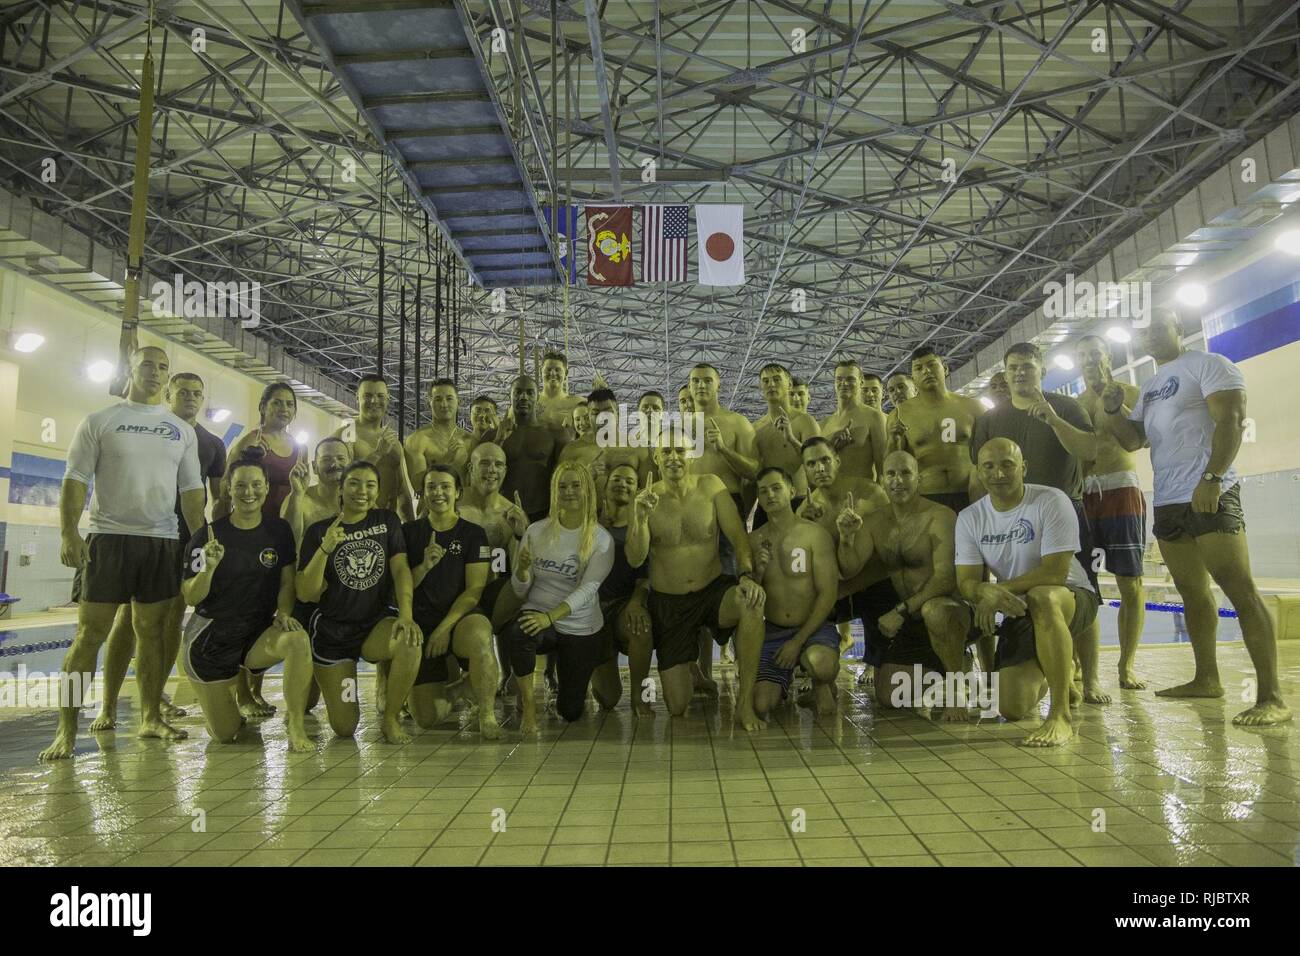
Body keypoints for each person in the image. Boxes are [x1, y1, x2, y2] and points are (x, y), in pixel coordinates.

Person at [1103, 311, 1290, 726]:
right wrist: (1116, 412)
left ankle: (1272, 696)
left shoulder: (1210, 364)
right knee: (1192, 591)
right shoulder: (1150, 387)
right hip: (1170, 499)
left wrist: (1213, 477)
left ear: (1178, 331)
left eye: (1157, 327)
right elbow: (1134, 440)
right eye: (1144, 332)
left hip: (1211, 491)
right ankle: (1207, 678)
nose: (1149, 336)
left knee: (1240, 590)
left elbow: (1232, 420)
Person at [41, 346, 206, 761]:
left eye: (162, 368)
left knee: (151, 633)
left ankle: (151, 715)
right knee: (88, 635)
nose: (155, 373)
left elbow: (191, 491)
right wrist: (68, 533)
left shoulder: (180, 431)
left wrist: (201, 538)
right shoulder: (101, 420)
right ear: (131, 369)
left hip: (162, 541)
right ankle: (66, 728)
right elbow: (75, 479)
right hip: (108, 537)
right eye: (147, 365)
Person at [970, 341, 1107, 704]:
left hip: (1066, 513)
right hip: (1012, 520)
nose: (1020, 373)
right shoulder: (990, 420)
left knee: (1083, 592)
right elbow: (979, 473)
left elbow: (1090, 451)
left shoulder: (1067, 407)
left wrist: (1052, 418)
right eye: (1013, 367)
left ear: (1042, 370)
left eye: (1028, 367)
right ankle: (1061, 675)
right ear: (1005, 371)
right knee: (1024, 593)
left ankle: (1090, 678)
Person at [90, 370, 226, 731]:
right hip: (140, 538)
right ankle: (108, 704)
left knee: (169, 622)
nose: (190, 399)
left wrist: (210, 540)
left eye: (197, 393)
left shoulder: (212, 443)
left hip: (184, 542)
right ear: (169, 395)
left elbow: (219, 498)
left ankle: (156, 697)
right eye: (183, 392)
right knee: (126, 622)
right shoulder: (146, 428)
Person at [956, 439, 1099, 747]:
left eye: (1008, 464)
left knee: (1043, 596)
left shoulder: (1050, 500)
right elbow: (965, 582)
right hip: (1019, 607)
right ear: (979, 473)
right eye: (989, 467)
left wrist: (997, 589)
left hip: (1071, 597)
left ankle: (1060, 714)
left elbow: (1055, 574)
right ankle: (1059, 667)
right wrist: (982, 590)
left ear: (1023, 468)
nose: (999, 473)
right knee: (1012, 707)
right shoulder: (970, 518)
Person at [625, 429, 767, 730]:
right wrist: (639, 518)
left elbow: (738, 536)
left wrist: (745, 575)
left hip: (711, 590)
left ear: (692, 455)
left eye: (680, 451)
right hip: (669, 601)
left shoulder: (711, 486)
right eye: (666, 452)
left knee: (752, 603)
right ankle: (688, 667)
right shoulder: (646, 498)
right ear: (656, 457)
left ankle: (744, 704)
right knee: (677, 706)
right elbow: (635, 558)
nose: (674, 457)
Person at [180, 457, 313, 752]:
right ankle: (217, 705)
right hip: (210, 640)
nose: (248, 492)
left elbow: (287, 582)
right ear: (228, 488)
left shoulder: (278, 532)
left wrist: (284, 612)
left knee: (297, 640)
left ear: (266, 487)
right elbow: (191, 596)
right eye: (240, 485)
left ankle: (295, 724)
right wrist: (208, 570)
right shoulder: (208, 536)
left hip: (254, 634)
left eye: (256, 484)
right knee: (226, 734)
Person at [836, 451, 975, 720]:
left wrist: (900, 610)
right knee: (890, 697)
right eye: (891, 474)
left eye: (905, 473)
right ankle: (946, 664)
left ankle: (956, 687)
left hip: (948, 610)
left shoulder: (940, 516)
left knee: (935, 611)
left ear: (919, 478)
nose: (898, 480)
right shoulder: (876, 521)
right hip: (912, 622)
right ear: (882, 481)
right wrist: (845, 538)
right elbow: (849, 567)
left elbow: (946, 578)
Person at [296, 461, 422, 743]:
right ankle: (328, 679)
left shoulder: (386, 522)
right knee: (345, 727)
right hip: (333, 635)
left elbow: (400, 570)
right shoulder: (319, 531)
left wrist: (406, 614)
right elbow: (306, 592)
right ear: (341, 489)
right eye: (354, 483)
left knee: (409, 641)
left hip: (373, 626)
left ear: (377, 491)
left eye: (370, 485)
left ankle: (390, 719)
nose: (361, 491)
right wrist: (326, 549)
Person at [504, 463, 614, 733]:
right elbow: (520, 590)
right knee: (519, 632)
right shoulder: (536, 531)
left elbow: (588, 591)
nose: (569, 491)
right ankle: (529, 708)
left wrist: (549, 617)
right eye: (562, 486)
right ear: (554, 491)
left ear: (587, 490)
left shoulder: (602, 539)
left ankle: (579, 674)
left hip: (580, 624)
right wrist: (521, 569)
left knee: (571, 711)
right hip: (539, 613)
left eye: (576, 485)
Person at [403, 465, 501, 739]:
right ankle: (463, 687)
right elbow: (400, 587)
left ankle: (487, 715)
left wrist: (444, 628)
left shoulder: (472, 534)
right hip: (422, 622)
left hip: (460, 619)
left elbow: (474, 590)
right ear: (422, 493)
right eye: (431, 486)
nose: (438, 492)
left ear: (457, 492)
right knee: (426, 718)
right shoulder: (408, 533)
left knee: (481, 637)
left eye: (445, 486)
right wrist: (423, 567)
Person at [1074, 334, 1148, 690]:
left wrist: (1117, 407)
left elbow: (1140, 438)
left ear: (1108, 356)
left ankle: (1126, 665)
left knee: (1130, 582)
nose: (1089, 361)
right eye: (1083, 356)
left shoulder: (1129, 392)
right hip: (1084, 496)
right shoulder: (1074, 403)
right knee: (1082, 582)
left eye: (1095, 354)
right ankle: (1083, 666)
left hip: (1121, 489)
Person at [748, 468, 839, 717]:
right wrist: (758, 574)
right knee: (762, 705)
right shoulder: (754, 541)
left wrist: (797, 642)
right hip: (775, 630)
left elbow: (828, 593)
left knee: (822, 665)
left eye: (776, 488)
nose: (770, 495)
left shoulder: (814, 534)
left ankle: (822, 682)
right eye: (763, 491)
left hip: (815, 627)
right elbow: (749, 596)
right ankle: (784, 681)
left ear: (792, 491)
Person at [797, 436, 889, 656]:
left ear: (837, 461)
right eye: (811, 464)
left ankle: (876, 658)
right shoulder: (805, 508)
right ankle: (820, 662)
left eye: (825, 460)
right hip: (835, 590)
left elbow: (892, 549)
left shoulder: (869, 493)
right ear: (805, 470)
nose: (819, 468)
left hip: (874, 583)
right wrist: (802, 524)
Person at [589, 464, 653, 716]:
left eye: (629, 481)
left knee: (641, 625)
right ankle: (601, 660)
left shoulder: (641, 525)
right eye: (616, 479)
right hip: (592, 610)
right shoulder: (589, 522)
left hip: (623, 606)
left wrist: (637, 602)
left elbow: (645, 577)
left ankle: (640, 695)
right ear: (604, 487)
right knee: (608, 699)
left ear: (636, 490)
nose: (622, 484)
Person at [888, 347, 984, 513]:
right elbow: (891, 462)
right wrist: (893, 440)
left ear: (945, 369)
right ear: (914, 377)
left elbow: (989, 452)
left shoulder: (973, 407)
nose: (926, 371)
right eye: (919, 368)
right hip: (925, 496)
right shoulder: (900, 414)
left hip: (970, 494)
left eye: (932, 365)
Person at [486, 375, 567, 521]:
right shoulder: (492, 435)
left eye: (530, 393)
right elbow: (480, 474)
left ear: (537, 398)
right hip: (503, 512)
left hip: (544, 513)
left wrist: (555, 510)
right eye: (518, 392)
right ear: (509, 396)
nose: (523, 397)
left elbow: (563, 476)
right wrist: (498, 440)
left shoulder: (554, 434)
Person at [332, 374, 413, 519]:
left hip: (386, 526)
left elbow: (402, 493)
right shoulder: (345, 435)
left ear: (387, 399)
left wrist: (411, 531)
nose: (374, 401)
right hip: (354, 525)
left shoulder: (393, 442)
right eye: (367, 395)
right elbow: (336, 485)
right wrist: (377, 454)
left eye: (380, 396)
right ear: (357, 398)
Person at [220, 382, 302, 523]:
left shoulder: (300, 449)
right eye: (277, 403)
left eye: (290, 404)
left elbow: (302, 491)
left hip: (288, 525)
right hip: (255, 524)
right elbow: (224, 488)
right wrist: (248, 460)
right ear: (263, 407)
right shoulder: (249, 442)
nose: (284, 409)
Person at [752, 363, 819, 527]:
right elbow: (752, 475)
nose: (771, 385)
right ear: (761, 387)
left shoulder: (805, 421)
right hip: (766, 506)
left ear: (789, 384)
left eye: (776, 379)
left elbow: (818, 463)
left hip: (799, 502)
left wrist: (791, 439)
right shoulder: (756, 428)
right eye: (766, 381)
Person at [687, 363, 758, 512]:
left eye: (708, 380)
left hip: (728, 499)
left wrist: (724, 450)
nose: (701, 385)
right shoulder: (680, 427)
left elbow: (755, 471)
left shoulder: (738, 422)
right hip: (689, 502)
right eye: (695, 381)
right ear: (689, 387)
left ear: (718, 385)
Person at [820, 359, 887, 483]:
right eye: (839, 379)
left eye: (850, 379)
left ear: (861, 382)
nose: (844, 383)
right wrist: (833, 447)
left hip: (862, 495)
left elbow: (882, 470)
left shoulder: (874, 417)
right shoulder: (824, 424)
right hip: (831, 495)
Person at [405, 378, 475, 494]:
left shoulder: (470, 441)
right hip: (431, 508)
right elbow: (418, 486)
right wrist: (446, 461)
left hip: (464, 507)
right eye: (438, 399)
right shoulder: (417, 440)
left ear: (459, 402)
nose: (444, 404)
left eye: (449, 399)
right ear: (429, 403)